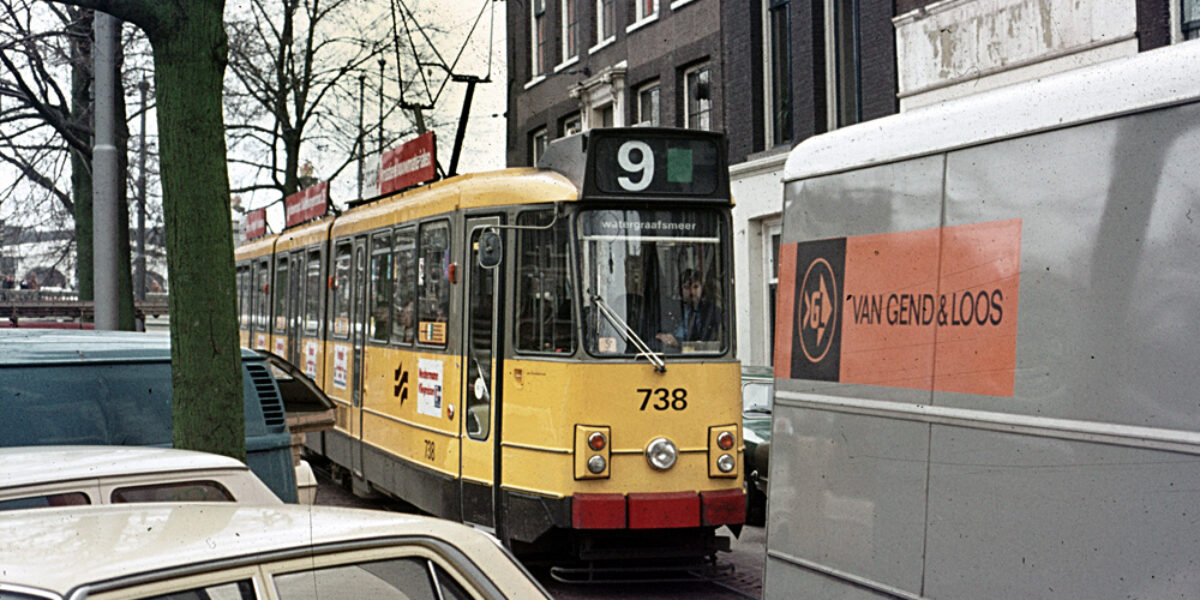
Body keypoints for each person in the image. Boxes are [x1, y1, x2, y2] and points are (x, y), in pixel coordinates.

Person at [656, 268, 721, 350]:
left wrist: (678, 343)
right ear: (680, 290)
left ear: (702, 288)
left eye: (695, 287)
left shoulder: (713, 313)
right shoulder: (670, 310)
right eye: (686, 287)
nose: (692, 292)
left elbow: (708, 344)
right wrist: (661, 336)